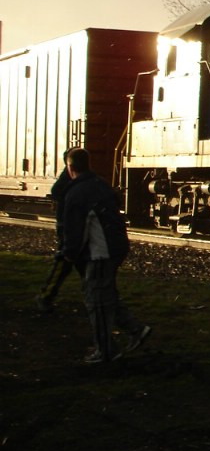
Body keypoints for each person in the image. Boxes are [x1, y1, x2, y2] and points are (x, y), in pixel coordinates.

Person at [59, 147, 151, 363]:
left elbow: (74, 230)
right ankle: (136, 329)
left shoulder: (75, 193)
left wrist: (68, 254)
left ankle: (106, 350)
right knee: (105, 294)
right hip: (116, 246)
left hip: (100, 252)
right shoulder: (101, 184)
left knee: (96, 299)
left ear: (70, 167)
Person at [35, 163, 75, 313]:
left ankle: (46, 296)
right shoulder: (71, 181)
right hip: (70, 227)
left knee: (65, 263)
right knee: (65, 262)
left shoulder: (67, 181)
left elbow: (56, 192)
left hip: (69, 226)